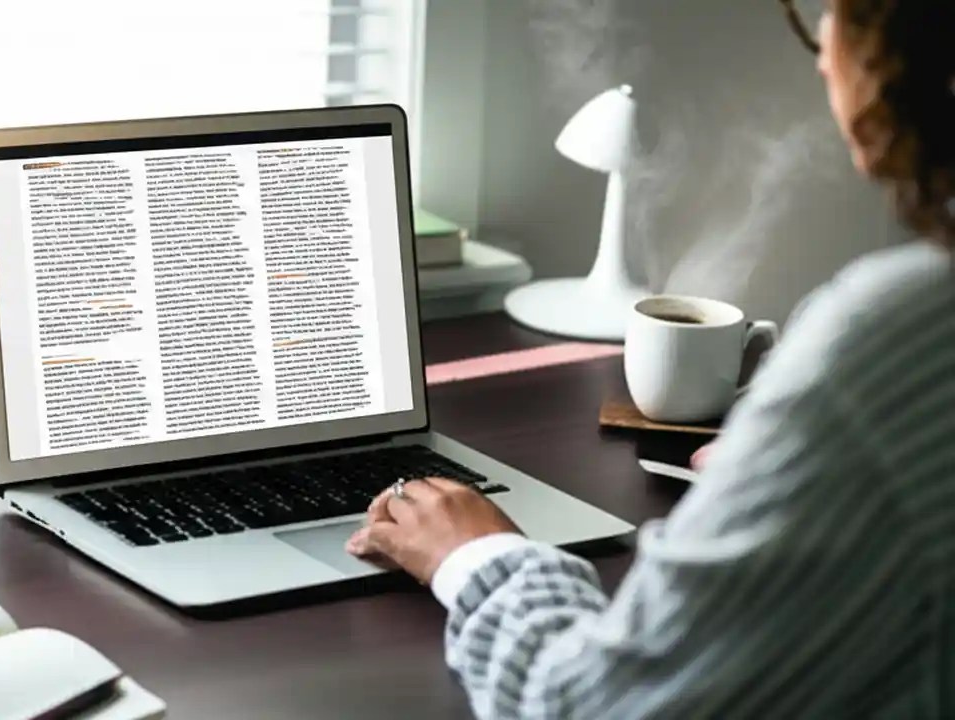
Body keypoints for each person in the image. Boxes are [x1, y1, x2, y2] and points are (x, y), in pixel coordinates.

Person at [346, 1, 955, 717]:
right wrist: (800, 465)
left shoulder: (893, 337)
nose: (822, 52)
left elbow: (595, 705)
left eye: (832, 16)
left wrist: (476, 555)